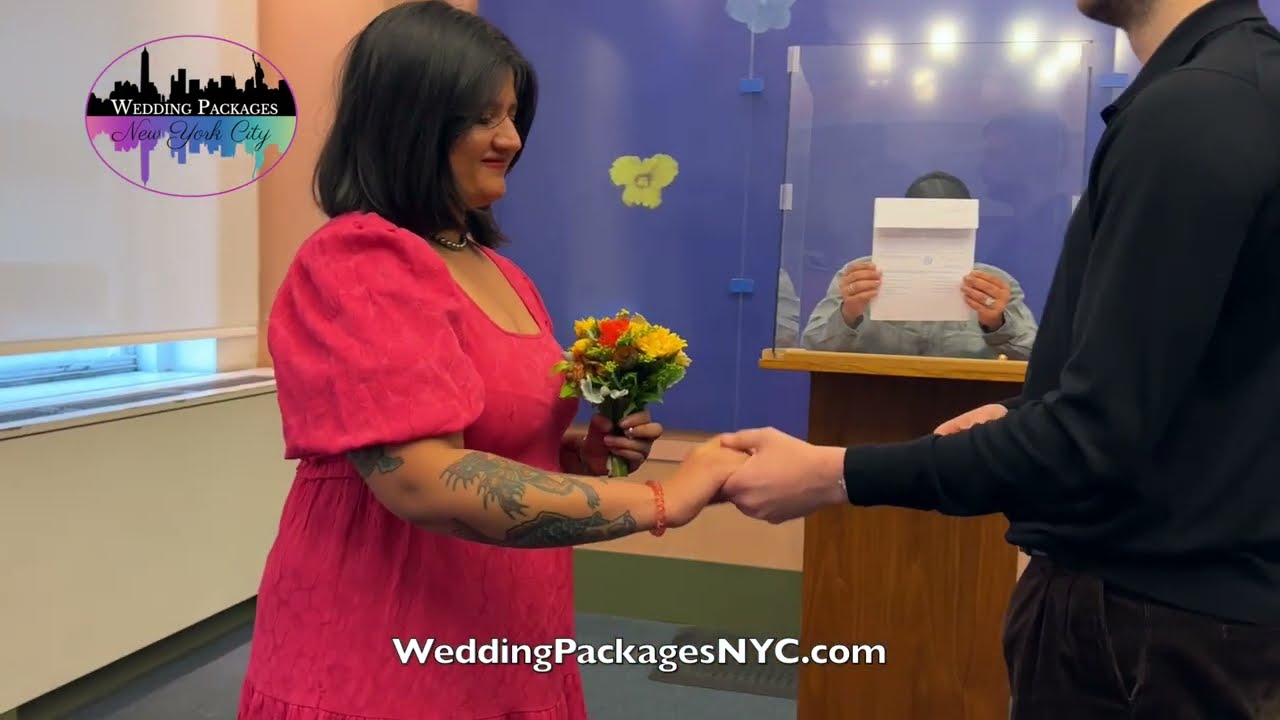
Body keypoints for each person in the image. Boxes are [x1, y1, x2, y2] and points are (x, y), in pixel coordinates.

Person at [716, 0, 1280, 716]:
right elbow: (1198, 383)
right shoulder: (1247, 90)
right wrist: (1026, 413)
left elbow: (1095, 434)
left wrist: (833, 473)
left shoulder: (1195, 110)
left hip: (1142, 627)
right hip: (1203, 613)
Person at [237, 4, 745, 719]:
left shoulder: (502, 275)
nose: (509, 139)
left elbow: (494, 444)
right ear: (410, 121)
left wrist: (580, 456)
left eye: (512, 116)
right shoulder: (359, 259)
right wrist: (663, 499)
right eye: (482, 118)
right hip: (385, 646)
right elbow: (421, 479)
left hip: (508, 631)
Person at [801, 171, 1038, 359]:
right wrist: (849, 314)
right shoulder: (859, 276)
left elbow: (1034, 358)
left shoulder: (994, 285)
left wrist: (997, 324)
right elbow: (811, 347)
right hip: (870, 403)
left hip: (969, 410)